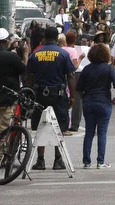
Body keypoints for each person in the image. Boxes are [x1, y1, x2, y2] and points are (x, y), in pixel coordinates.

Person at [26, 25, 77, 170]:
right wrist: (72, 96)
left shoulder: (35, 54)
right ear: (56, 38)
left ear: (44, 38)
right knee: (59, 127)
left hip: (39, 95)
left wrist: (29, 94)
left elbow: (29, 76)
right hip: (58, 95)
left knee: (40, 126)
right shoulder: (63, 54)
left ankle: (40, 160)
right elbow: (71, 76)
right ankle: (58, 159)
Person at [0, 28, 26, 168]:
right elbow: (23, 69)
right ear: (5, 41)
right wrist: (25, 54)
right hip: (7, 98)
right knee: (3, 131)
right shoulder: (11, 56)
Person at [77, 43, 115, 169]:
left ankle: (86, 161)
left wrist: (84, 98)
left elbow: (79, 88)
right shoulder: (108, 68)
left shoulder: (86, 69)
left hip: (89, 102)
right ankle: (100, 161)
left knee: (89, 132)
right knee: (102, 133)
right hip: (104, 102)